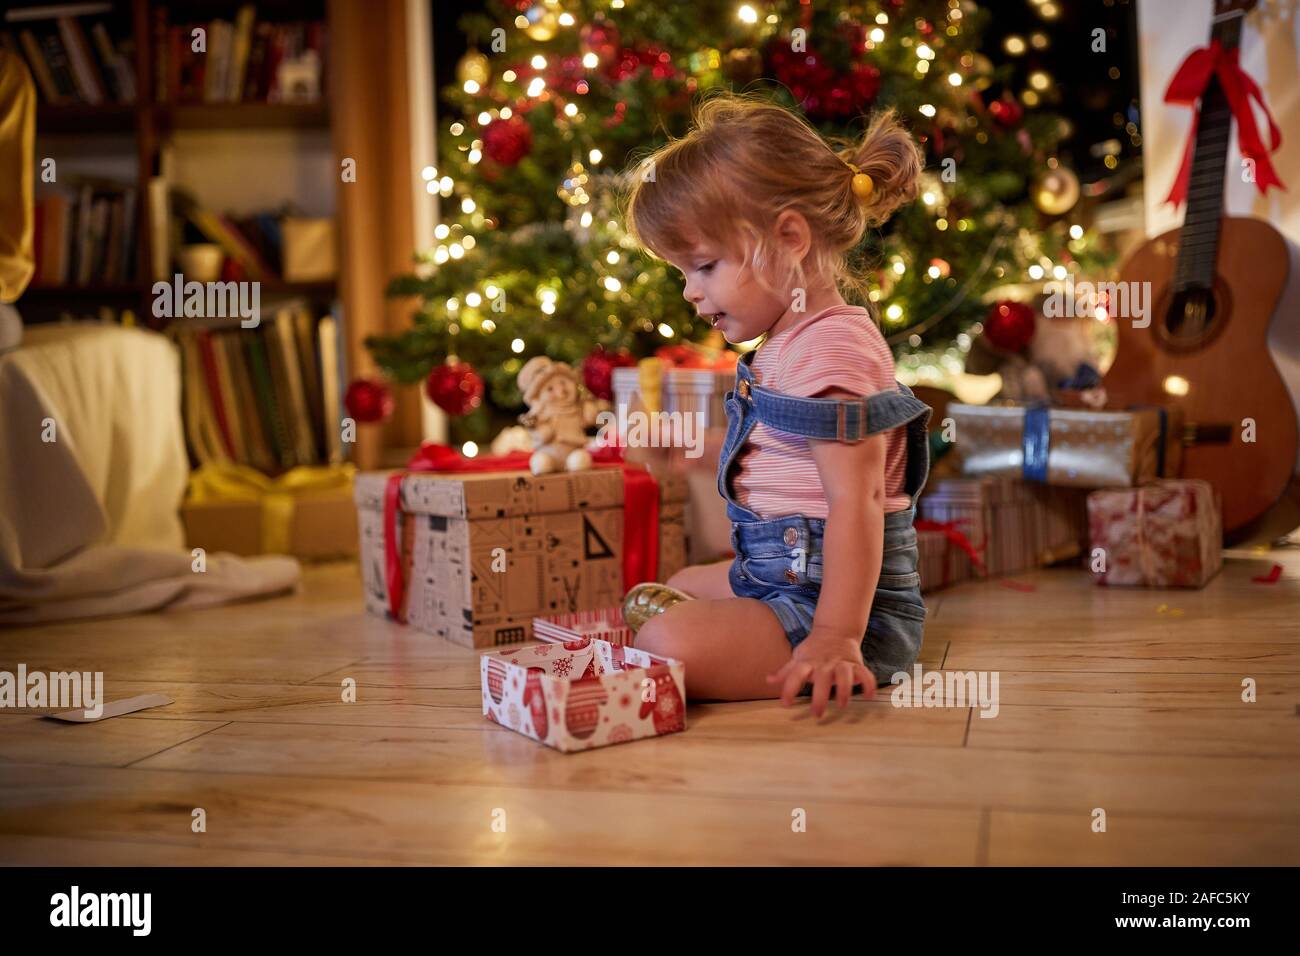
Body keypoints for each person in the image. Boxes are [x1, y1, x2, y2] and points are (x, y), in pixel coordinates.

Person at [622, 92, 931, 717]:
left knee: (662, 638)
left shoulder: (834, 348)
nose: (690, 291)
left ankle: (828, 651)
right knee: (673, 588)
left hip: (838, 606)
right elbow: (785, 453)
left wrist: (835, 638)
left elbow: (859, 499)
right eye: (684, 272)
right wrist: (696, 448)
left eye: (704, 265)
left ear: (789, 237)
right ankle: (730, 634)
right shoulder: (788, 341)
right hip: (778, 574)